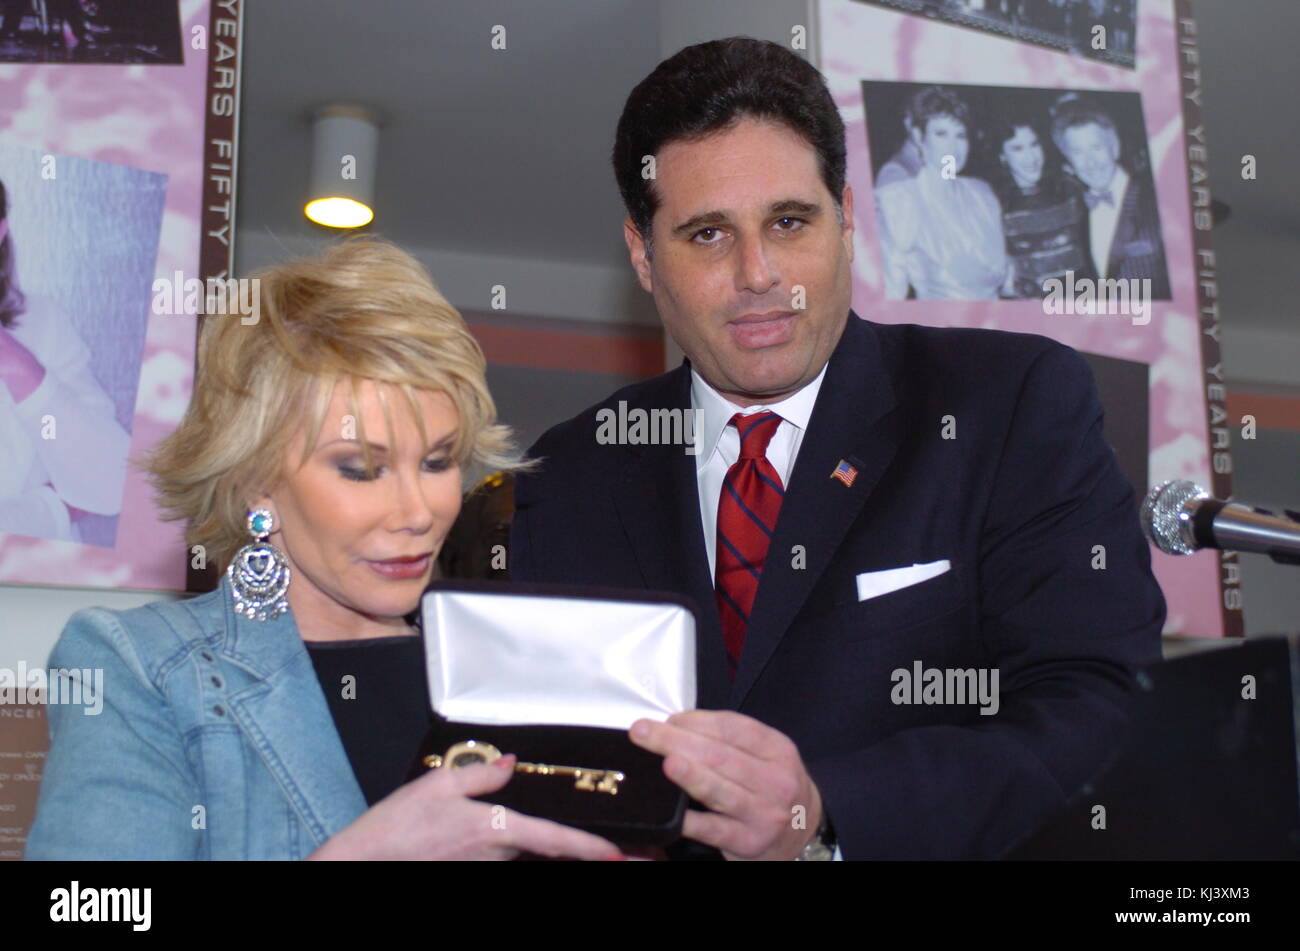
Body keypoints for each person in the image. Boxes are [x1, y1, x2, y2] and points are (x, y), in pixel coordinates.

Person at [507, 37, 1166, 860]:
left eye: (789, 222)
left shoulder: (1007, 403)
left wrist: (828, 809)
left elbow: (1099, 700)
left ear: (848, 220)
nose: (758, 272)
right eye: (707, 235)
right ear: (644, 256)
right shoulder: (567, 476)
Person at [25, 237, 622, 861]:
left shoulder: (505, 674)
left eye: (439, 462)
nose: (418, 513)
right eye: (362, 469)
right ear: (253, 480)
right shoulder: (143, 668)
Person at [0, 179, 131, 542]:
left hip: (37, 589)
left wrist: (15, 363)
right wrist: (50, 510)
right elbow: (70, 503)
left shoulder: (38, 323)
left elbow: (110, 484)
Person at [874, 86, 1009, 299]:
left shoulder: (982, 193)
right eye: (941, 134)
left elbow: (1004, 277)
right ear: (919, 136)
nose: (953, 147)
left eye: (960, 135)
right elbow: (891, 293)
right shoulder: (900, 200)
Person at [1050, 97, 1171, 299]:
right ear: (1068, 160)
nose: (1090, 163)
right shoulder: (1075, 211)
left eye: (1096, 148)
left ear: (1115, 147)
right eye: (1078, 152)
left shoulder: (1159, 200)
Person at [990, 116, 1093, 299]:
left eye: (1034, 144)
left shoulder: (1070, 191)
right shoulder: (995, 206)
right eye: (1017, 148)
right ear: (1002, 157)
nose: (1031, 157)